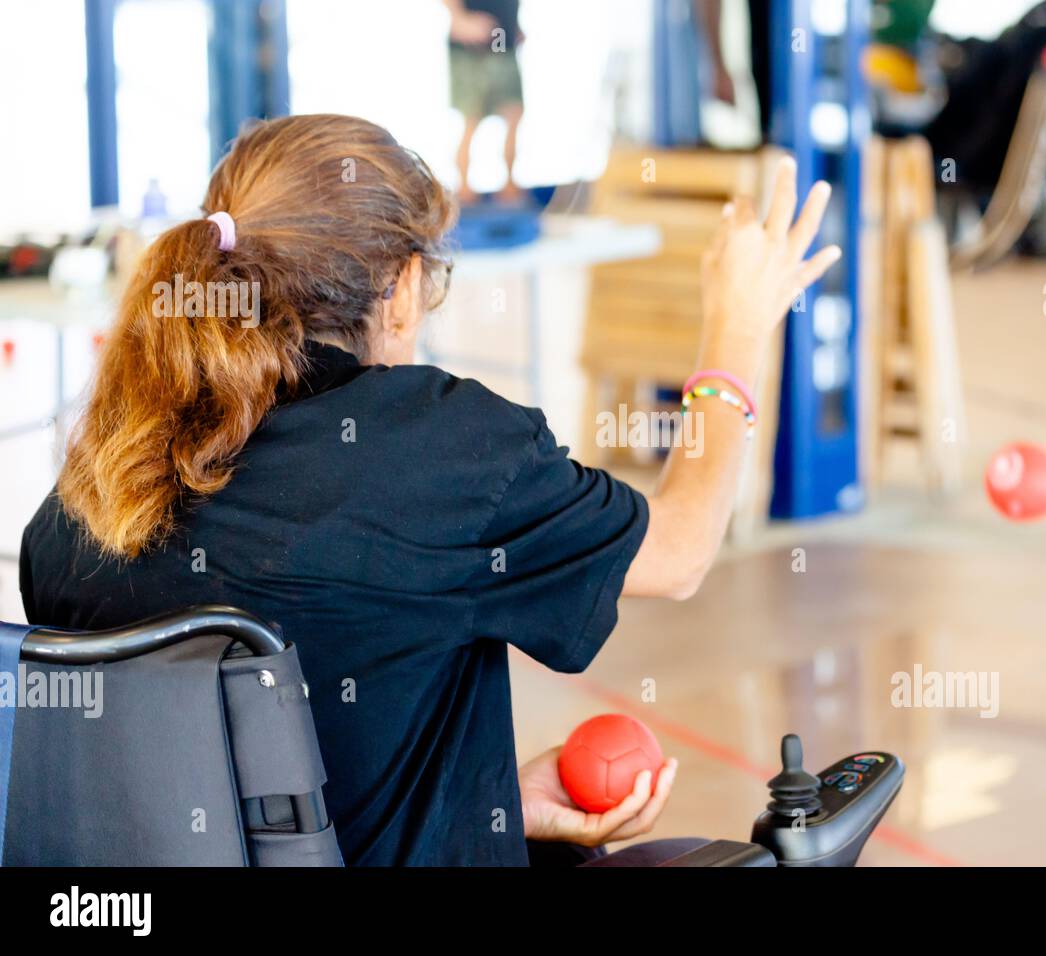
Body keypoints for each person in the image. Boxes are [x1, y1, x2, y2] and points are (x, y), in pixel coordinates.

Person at [19, 114, 840, 866]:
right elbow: (683, 549)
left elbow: (212, 809)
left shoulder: (78, 509)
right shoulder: (445, 455)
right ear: (404, 287)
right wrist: (734, 330)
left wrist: (493, 806)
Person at [443, 0, 525, 204]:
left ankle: (510, 185)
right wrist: (459, 19)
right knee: (472, 118)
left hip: (504, 46)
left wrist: (515, 27)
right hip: (472, 49)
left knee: (514, 113)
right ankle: (465, 190)